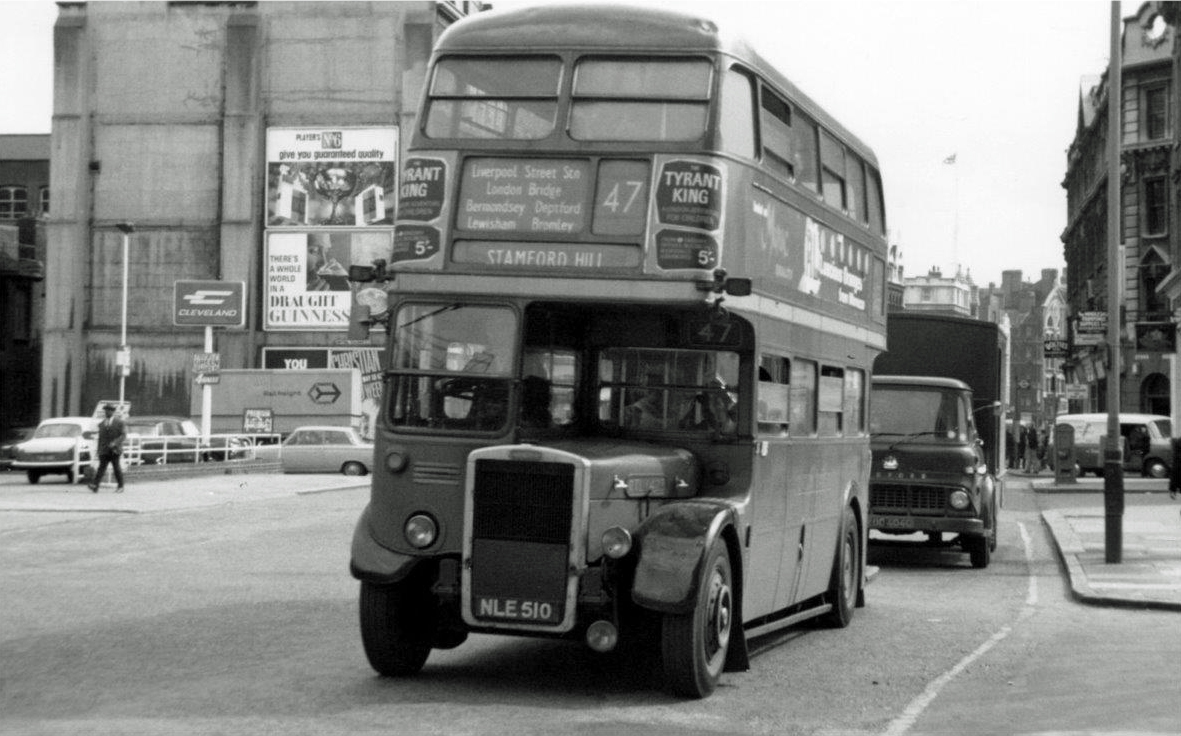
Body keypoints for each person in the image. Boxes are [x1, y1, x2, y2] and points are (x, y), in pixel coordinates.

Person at [89, 403, 126, 493]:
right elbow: (101, 438)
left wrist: (115, 443)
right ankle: (95, 485)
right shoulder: (102, 424)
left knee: (116, 468)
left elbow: (123, 435)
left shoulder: (119, 422)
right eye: (105, 410)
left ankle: (120, 486)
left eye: (109, 411)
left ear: (113, 412)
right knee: (101, 468)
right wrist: (99, 450)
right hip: (104, 450)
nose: (106, 412)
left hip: (115, 450)